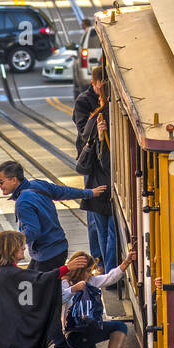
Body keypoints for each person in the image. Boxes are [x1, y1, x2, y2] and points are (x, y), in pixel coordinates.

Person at [0, 160, 107, 348]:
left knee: (44, 300)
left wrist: (15, 245)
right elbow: (61, 192)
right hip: (56, 249)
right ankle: (45, 336)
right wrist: (90, 193)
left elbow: (33, 231)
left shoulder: (23, 202)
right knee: (30, 291)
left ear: (13, 180)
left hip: (46, 256)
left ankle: (62, 347)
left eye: (1, 182)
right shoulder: (37, 184)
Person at [76, 99, 117, 273]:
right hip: (103, 191)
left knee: (104, 233)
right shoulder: (98, 123)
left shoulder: (92, 123)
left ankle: (107, 270)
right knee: (111, 234)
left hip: (97, 190)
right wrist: (101, 140)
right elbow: (106, 164)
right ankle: (109, 272)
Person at [72, 64, 102, 154]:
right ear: (93, 83)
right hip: (89, 151)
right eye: (101, 86)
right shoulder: (83, 101)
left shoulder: (110, 97)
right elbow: (83, 132)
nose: (105, 90)